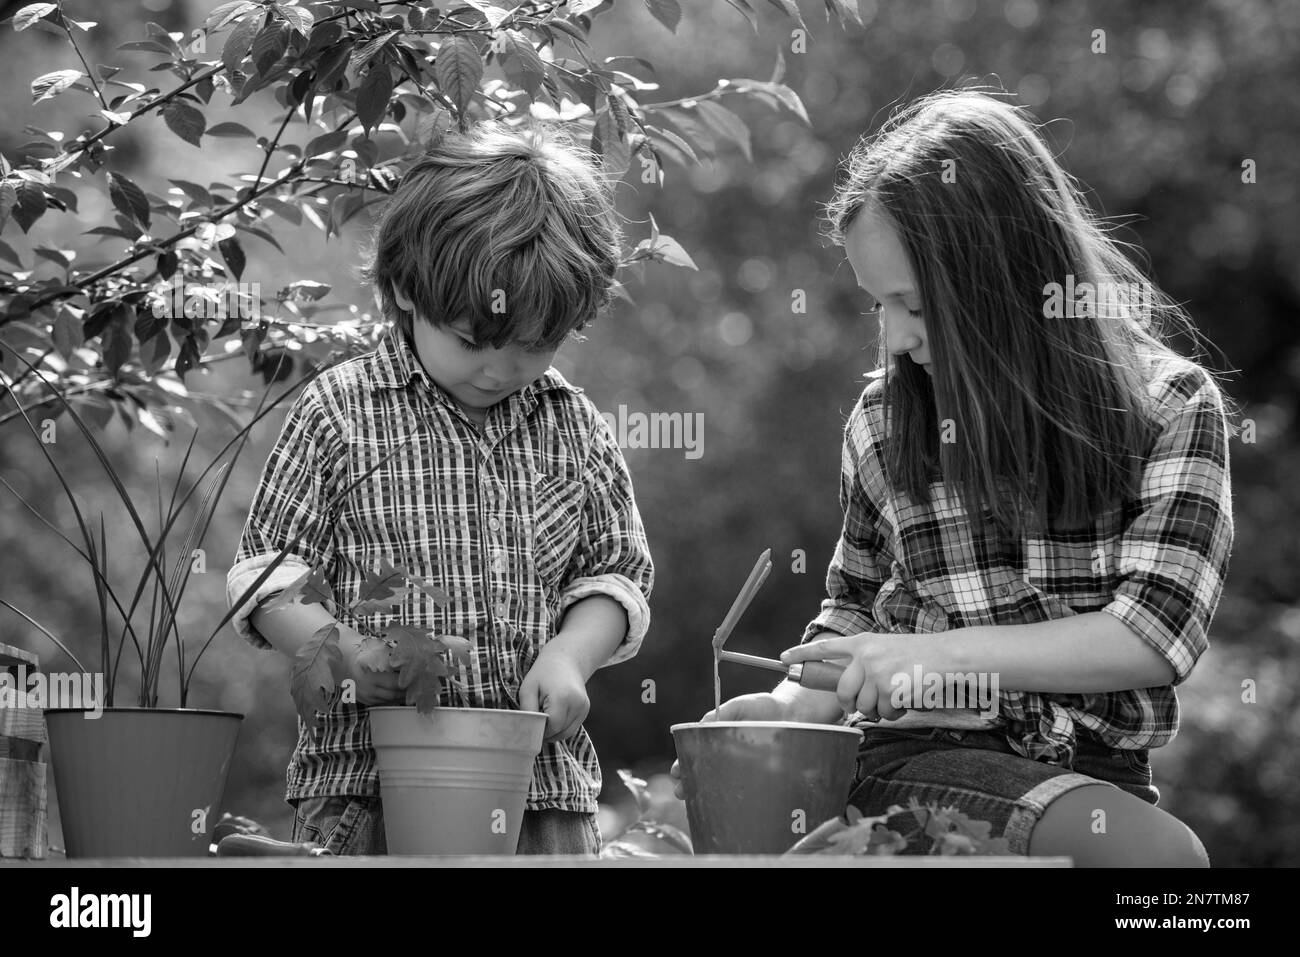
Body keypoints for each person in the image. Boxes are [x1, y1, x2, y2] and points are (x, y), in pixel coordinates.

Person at [674, 90, 1235, 866]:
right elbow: (855, 609)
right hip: (916, 759)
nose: (897, 338)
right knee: (1167, 864)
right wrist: (785, 711)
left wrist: (938, 655)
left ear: (1007, 276)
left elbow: (1153, 633)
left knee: (1168, 879)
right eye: (880, 307)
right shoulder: (883, 422)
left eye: (914, 304)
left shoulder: (1168, 407)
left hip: (1097, 777)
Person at [226, 121, 654, 856]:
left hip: (537, 793)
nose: (496, 369)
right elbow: (267, 576)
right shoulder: (340, 410)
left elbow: (614, 573)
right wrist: (351, 653)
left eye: (531, 345)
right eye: (469, 340)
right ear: (404, 292)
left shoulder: (573, 425)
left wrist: (570, 656)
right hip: (366, 786)